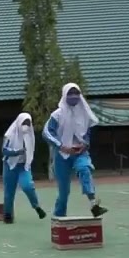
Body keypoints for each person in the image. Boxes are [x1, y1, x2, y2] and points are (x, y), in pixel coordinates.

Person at [43, 83, 108, 218]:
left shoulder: (84, 112)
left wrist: (85, 144)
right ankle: (59, 217)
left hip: (79, 152)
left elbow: (87, 132)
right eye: (70, 93)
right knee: (64, 191)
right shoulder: (57, 114)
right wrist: (61, 146)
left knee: (85, 169)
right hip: (62, 154)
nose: (74, 96)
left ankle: (93, 204)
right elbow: (47, 132)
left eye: (76, 93)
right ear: (65, 95)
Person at [1, 112, 47, 223]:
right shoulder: (9, 135)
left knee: (27, 186)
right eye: (24, 123)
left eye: (28, 122)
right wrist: (17, 152)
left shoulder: (29, 135)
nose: (26, 125)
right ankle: (8, 214)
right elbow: (4, 151)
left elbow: (31, 149)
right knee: (9, 192)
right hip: (10, 165)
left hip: (24, 166)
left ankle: (36, 206)